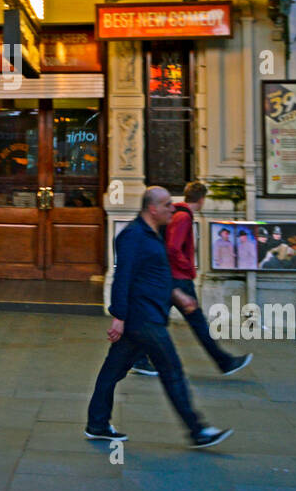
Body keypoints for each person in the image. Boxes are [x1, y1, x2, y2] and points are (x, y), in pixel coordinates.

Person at [85, 186, 232, 449]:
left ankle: (97, 424)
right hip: (144, 319)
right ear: (152, 208)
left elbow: (155, 275)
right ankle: (198, 431)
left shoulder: (155, 234)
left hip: (147, 315)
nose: (172, 208)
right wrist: (118, 315)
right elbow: (123, 277)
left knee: (112, 371)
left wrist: (177, 295)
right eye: (166, 204)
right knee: (172, 371)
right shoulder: (133, 237)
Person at [131, 182, 252, 378]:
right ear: (202, 199)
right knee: (197, 322)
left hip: (170, 277)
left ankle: (140, 359)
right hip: (179, 279)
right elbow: (173, 248)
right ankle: (225, 362)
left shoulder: (178, 213)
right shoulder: (183, 217)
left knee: (156, 319)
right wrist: (188, 266)